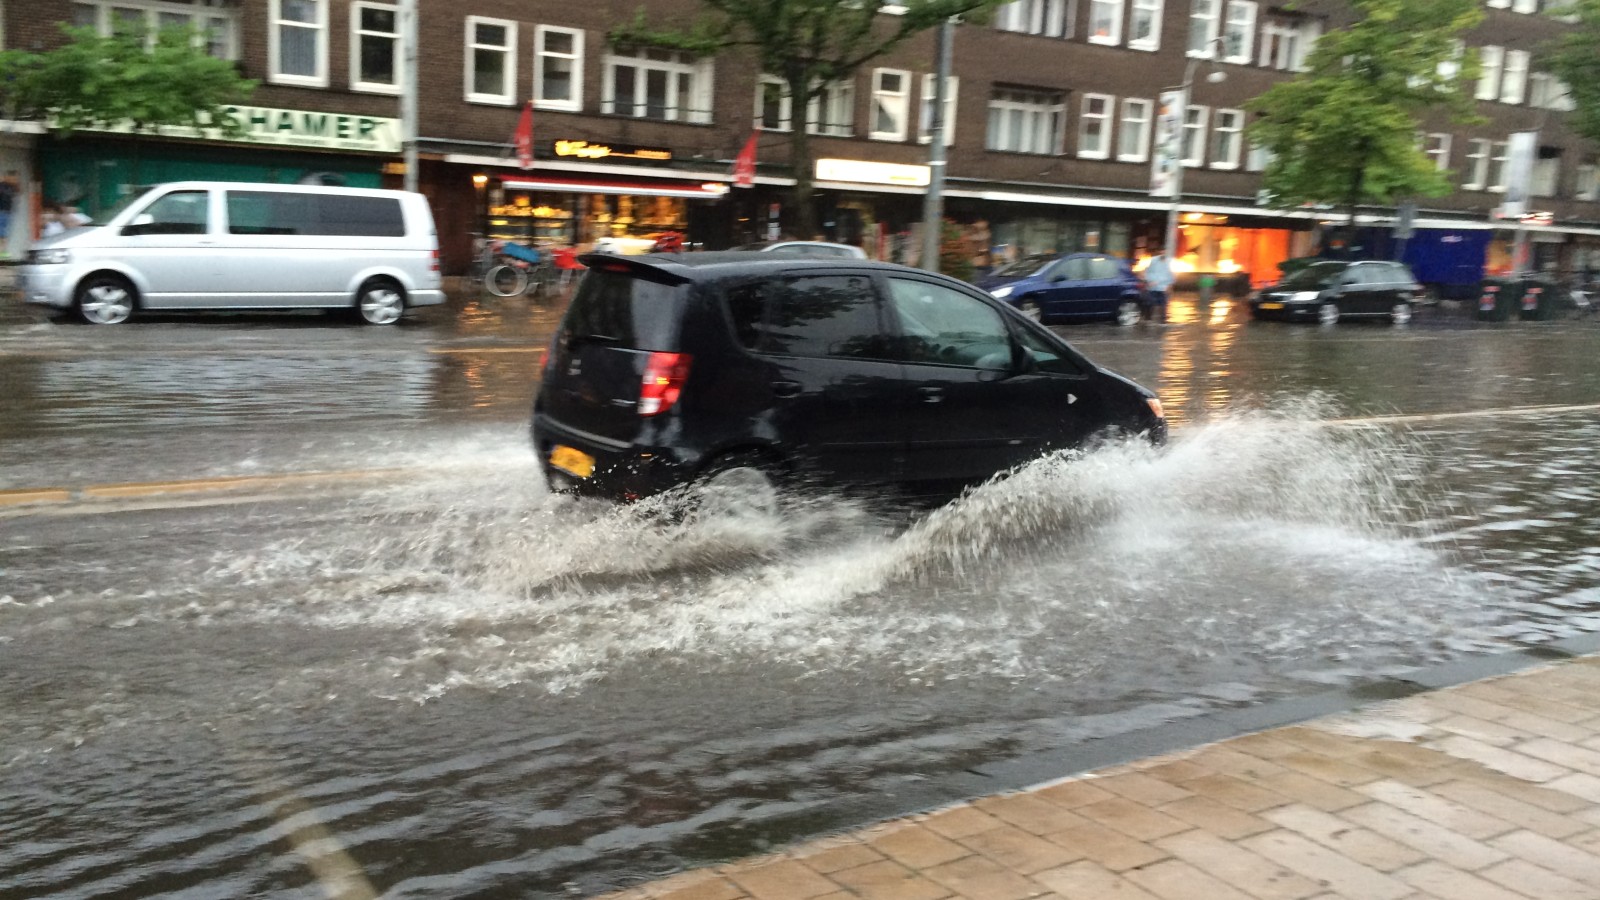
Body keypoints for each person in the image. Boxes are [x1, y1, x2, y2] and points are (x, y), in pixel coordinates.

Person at [1142, 250, 1175, 323]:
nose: (1163, 254)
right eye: (1162, 252)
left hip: (1163, 288)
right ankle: (1148, 319)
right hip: (1152, 287)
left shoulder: (1169, 262)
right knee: (1149, 303)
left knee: (1163, 305)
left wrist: (1169, 286)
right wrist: (1149, 281)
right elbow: (1148, 271)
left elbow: (1171, 275)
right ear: (1160, 253)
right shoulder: (1154, 261)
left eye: (1165, 252)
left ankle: (1162, 321)